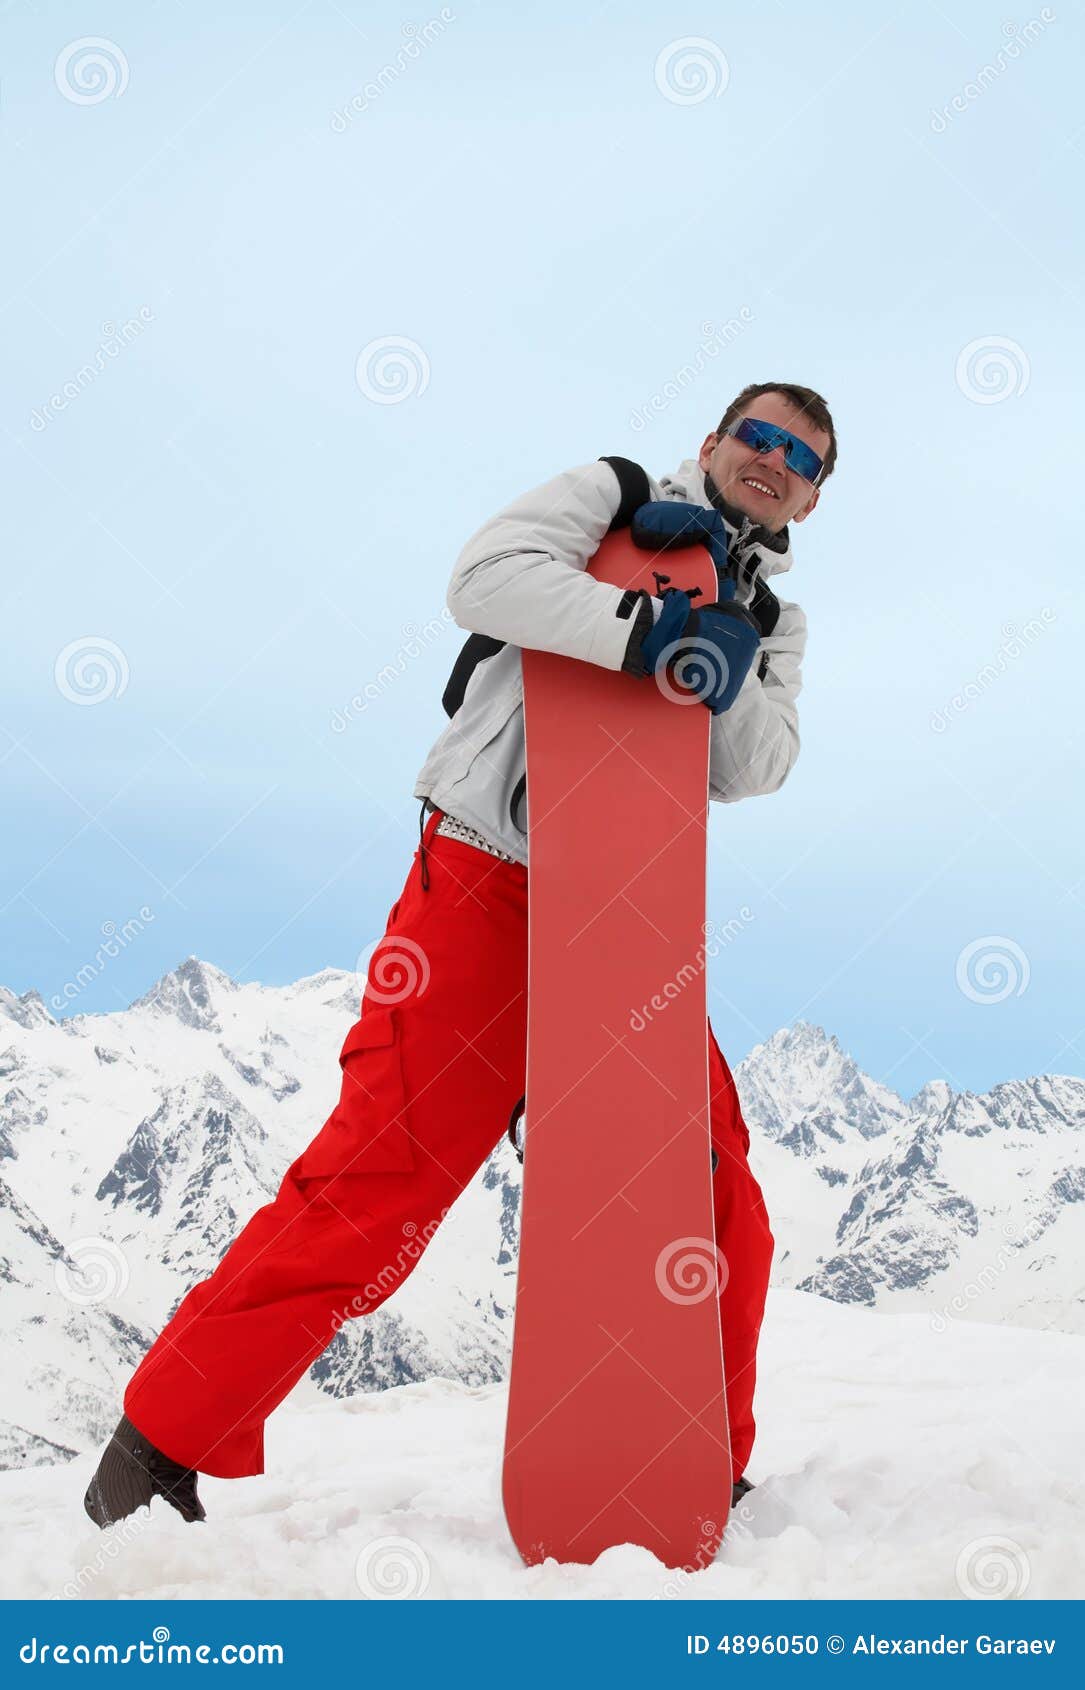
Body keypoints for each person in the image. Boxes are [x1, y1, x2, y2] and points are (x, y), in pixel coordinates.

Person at [84, 380, 837, 1531]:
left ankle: (694, 1455)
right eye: (760, 435)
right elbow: (481, 580)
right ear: (713, 443)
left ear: (814, 498)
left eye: (803, 457)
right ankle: (163, 1440)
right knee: (378, 1179)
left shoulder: (774, 620)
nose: (775, 459)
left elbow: (751, 767)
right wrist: (644, 623)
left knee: (712, 1192)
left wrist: (718, 642)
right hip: (485, 875)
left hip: (627, 922)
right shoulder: (611, 497)